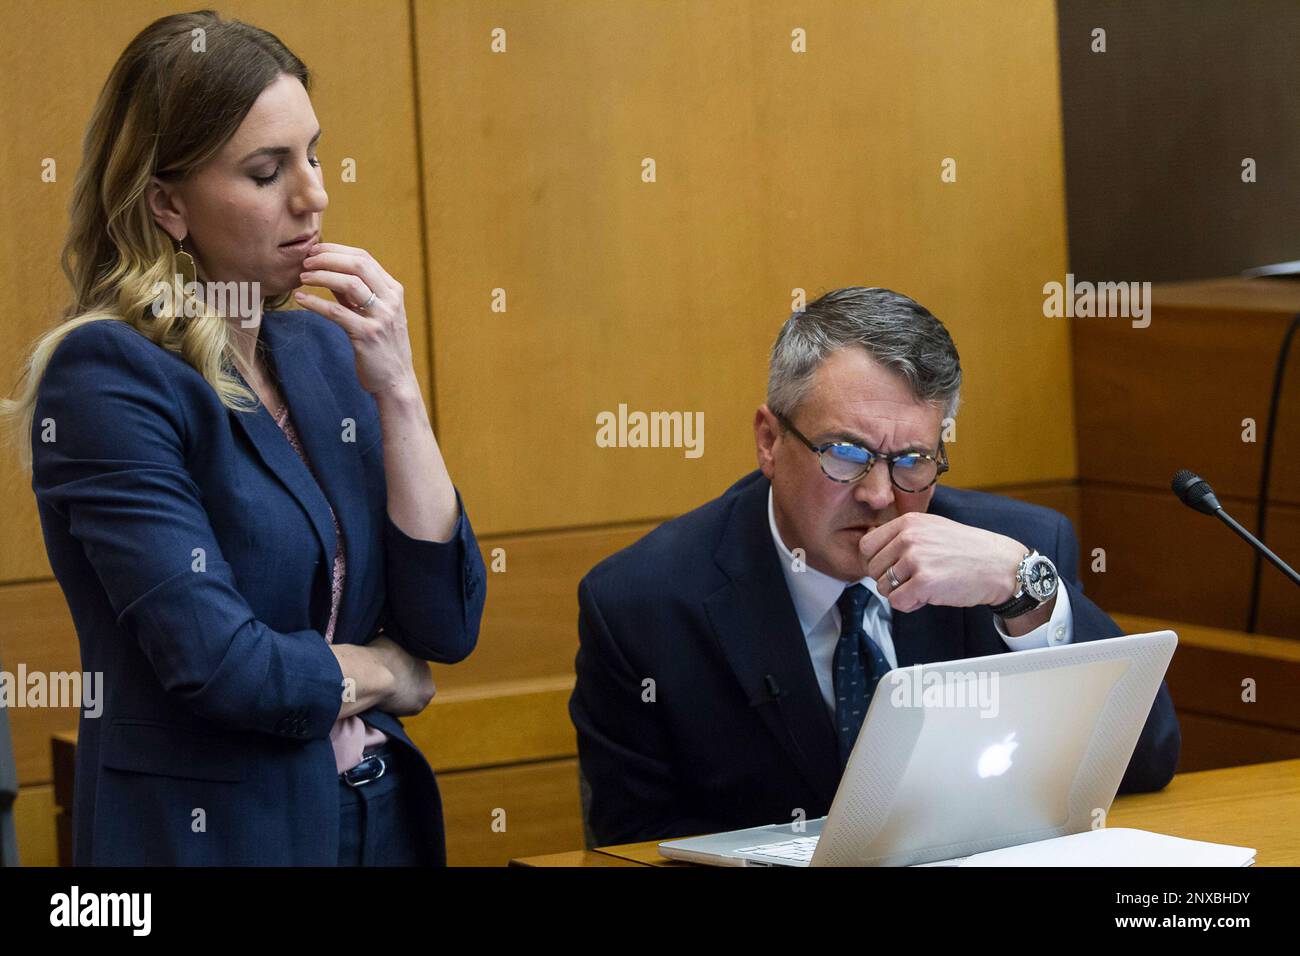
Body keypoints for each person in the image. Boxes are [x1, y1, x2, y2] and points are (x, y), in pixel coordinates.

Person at [0, 11, 485, 865]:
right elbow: (219, 666)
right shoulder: (107, 375)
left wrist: (401, 393)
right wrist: (382, 675)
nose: (314, 195)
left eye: (313, 154)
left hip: (378, 818)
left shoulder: (326, 350)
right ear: (166, 203)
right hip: (220, 842)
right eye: (267, 172)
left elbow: (444, 624)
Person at [570, 286, 1180, 847]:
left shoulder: (1015, 551)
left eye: (913, 460)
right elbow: (632, 848)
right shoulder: (643, 603)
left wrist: (1026, 593)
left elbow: (1148, 760)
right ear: (768, 441)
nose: (880, 495)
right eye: (846, 454)